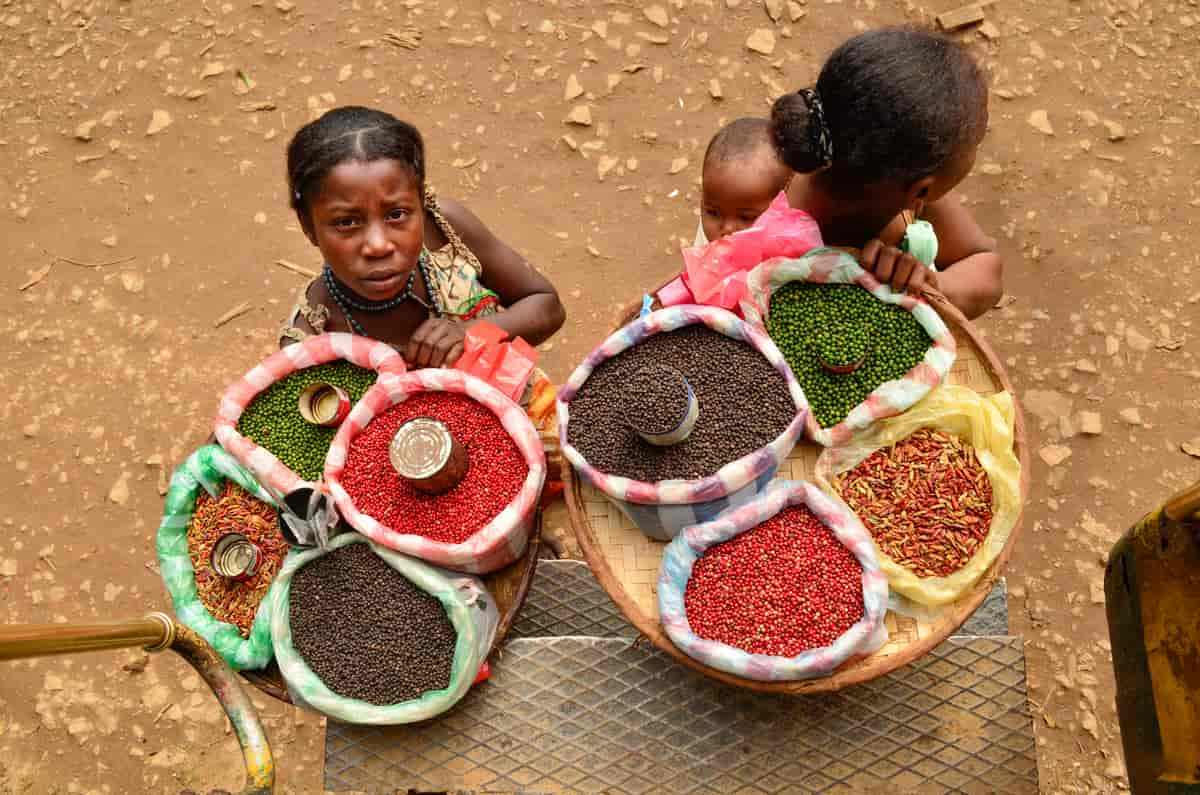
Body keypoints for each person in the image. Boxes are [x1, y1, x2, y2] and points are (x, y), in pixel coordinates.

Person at [279, 106, 566, 500]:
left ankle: (535, 507)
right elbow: (324, 460)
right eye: (346, 222)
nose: (379, 245)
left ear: (420, 201)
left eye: (397, 214)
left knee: (552, 475)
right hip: (422, 485)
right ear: (309, 228)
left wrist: (470, 333)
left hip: (516, 408)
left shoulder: (443, 231)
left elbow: (546, 305)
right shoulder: (312, 336)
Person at [771, 28, 1003, 319]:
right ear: (921, 190)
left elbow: (985, 263)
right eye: (977, 144)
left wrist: (933, 287)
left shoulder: (898, 187)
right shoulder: (755, 211)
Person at [697, 117, 793, 245]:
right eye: (713, 213)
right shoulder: (708, 245)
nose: (727, 229)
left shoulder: (792, 253)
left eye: (746, 217)